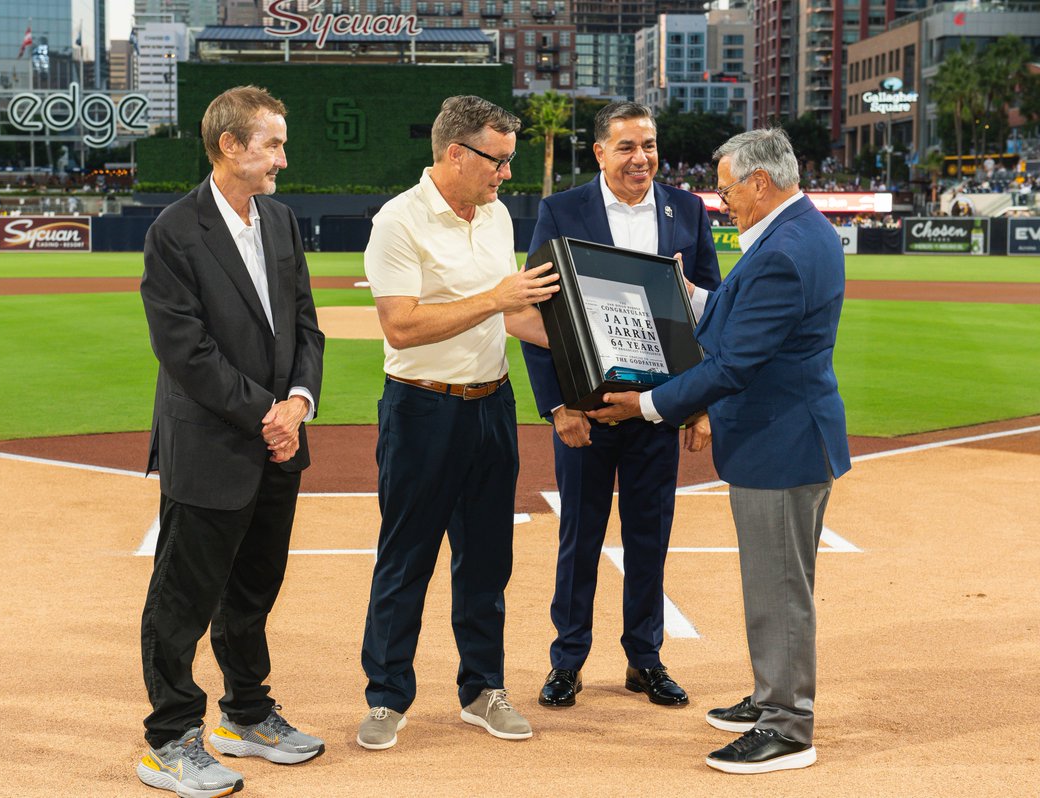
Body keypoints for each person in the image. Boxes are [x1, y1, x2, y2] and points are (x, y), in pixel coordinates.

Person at [586, 128, 851, 774]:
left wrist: (646, 405)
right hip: (782, 439)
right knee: (776, 585)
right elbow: (738, 316)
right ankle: (771, 698)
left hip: (781, 445)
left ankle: (788, 726)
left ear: (761, 183)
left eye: (728, 189)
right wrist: (684, 292)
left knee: (779, 589)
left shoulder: (787, 249)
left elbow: (733, 363)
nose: (721, 201)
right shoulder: (796, 234)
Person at [136, 85, 326, 797]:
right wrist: (267, 414)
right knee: (182, 599)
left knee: (254, 588)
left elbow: (307, 324)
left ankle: (245, 714)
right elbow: (185, 352)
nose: (283, 155)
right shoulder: (175, 231)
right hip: (214, 445)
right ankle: (168, 739)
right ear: (230, 146)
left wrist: (299, 403)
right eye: (272, 143)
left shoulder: (278, 221)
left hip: (278, 443)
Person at [357, 95, 558, 750]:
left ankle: (482, 689)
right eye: (499, 162)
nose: (506, 176)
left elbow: (512, 317)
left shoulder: (495, 217)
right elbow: (402, 325)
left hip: (492, 406)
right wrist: (497, 298)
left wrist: (601, 353)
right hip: (421, 407)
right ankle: (386, 698)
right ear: (456, 154)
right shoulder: (398, 222)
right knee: (406, 557)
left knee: (487, 560)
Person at [520, 102, 721, 710]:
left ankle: (645, 658)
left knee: (649, 535)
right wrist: (558, 406)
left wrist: (699, 404)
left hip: (658, 408)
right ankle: (568, 661)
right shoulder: (562, 210)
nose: (642, 158)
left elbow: (711, 316)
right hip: (586, 408)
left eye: (650, 146)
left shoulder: (685, 210)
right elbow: (537, 311)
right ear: (600, 152)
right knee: (580, 536)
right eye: (627, 146)